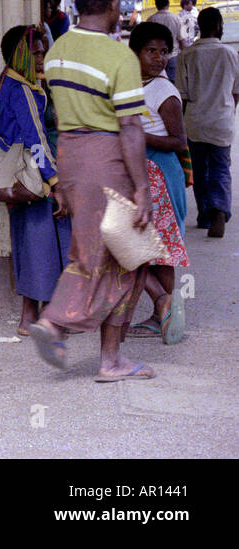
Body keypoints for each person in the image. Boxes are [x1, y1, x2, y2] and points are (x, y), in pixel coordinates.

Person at [30, 0, 154, 382]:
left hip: (70, 156)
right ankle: (60, 324)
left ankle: (106, 355)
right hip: (107, 159)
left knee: (96, 250)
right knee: (122, 252)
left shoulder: (58, 50)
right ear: (115, 6)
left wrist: (62, 182)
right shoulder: (119, 56)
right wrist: (141, 187)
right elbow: (132, 127)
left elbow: (59, 118)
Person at [0, 25, 70, 336]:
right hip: (34, 178)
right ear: (20, 55)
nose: (42, 58)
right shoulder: (25, 89)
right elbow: (36, 140)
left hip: (17, 179)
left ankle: (31, 316)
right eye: (36, 52)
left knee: (29, 245)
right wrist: (54, 181)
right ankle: (44, 318)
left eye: (43, 52)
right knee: (43, 245)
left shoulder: (5, 84)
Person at [127, 22, 190, 344]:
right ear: (135, 52)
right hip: (138, 170)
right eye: (151, 50)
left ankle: (162, 314)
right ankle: (162, 309)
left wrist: (138, 135)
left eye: (164, 52)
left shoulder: (164, 92)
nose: (159, 58)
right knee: (139, 247)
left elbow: (179, 141)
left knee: (161, 250)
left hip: (161, 174)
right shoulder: (130, 84)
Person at [177, 6, 239, 239]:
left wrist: (182, 125)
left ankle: (204, 214)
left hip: (195, 120)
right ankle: (219, 211)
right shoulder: (230, 54)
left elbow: (181, 94)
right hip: (221, 120)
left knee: (200, 170)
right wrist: (229, 111)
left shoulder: (187, 55)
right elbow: (236, 91)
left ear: (199, 27)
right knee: (221, 168)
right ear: (219, 26)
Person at [146, 0, 184, 82]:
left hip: (155, 58)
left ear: (156, 4)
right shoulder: (176, 19)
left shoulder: (151, 20)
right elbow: (181, 40)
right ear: (168, 4)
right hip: (172, 57)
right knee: (173, 84)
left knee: (157, 83)